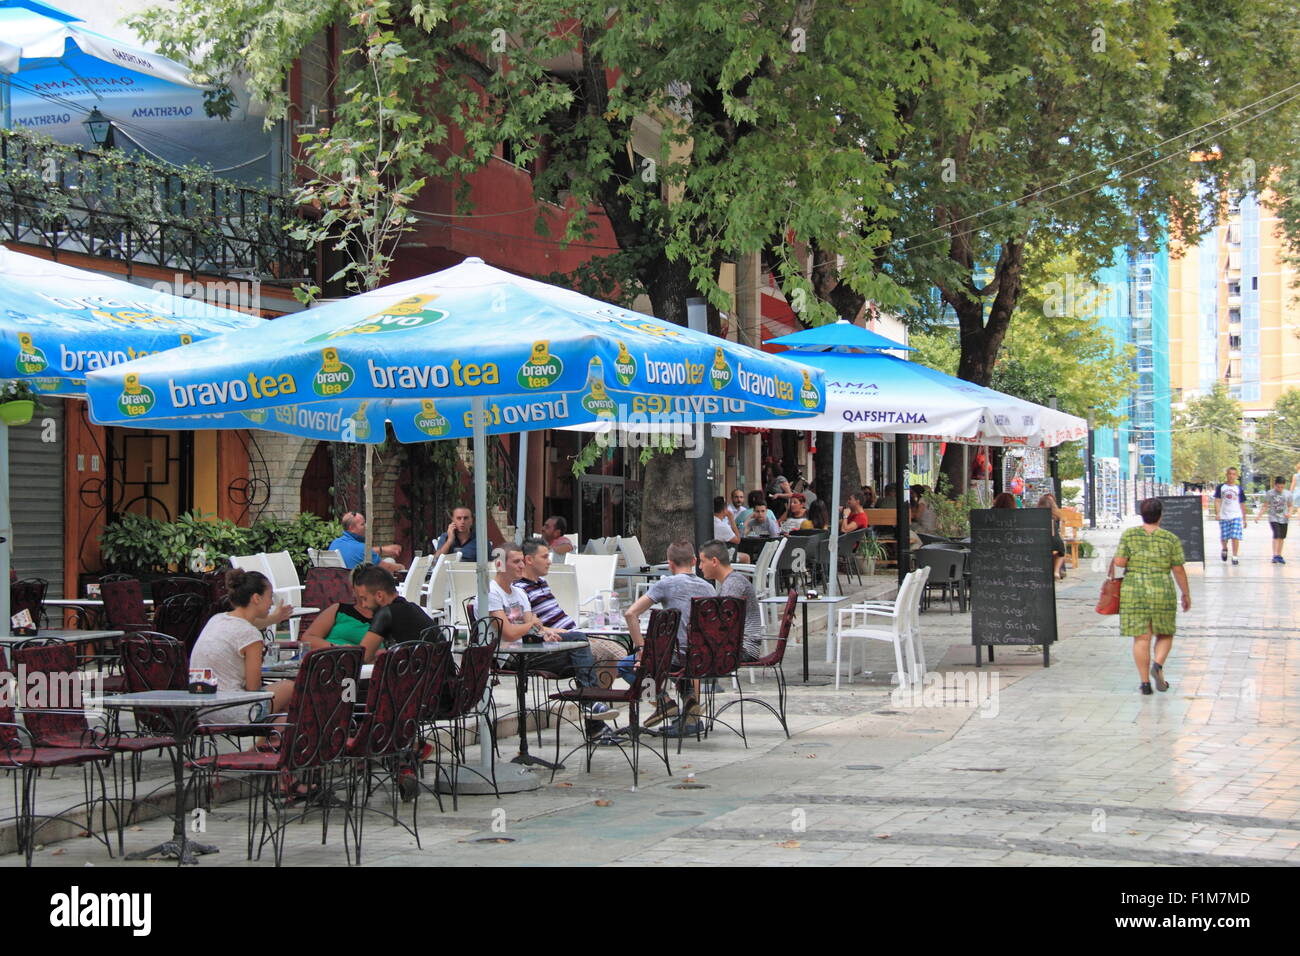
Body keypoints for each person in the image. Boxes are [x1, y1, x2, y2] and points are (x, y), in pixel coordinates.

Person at [488, 543, 613, 737]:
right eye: (516, 561)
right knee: (583, 655)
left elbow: (534, 627)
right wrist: (532, 626)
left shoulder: (519, 593)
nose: (521, 565)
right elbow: (510, 633)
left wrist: (544, 633)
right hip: (509, 655)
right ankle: (592, 712)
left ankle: (594, 720)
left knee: (582, 649)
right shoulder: (492, 593)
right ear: (499, 564)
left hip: (530, 649)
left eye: (522, 560)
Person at [622, 540, 715, 734]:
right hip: (701, 658)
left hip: (674, 657)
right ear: (694, 560)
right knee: (675, 665)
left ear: (669, 563)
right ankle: (689, 700)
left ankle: (662, 701)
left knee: (627, 666)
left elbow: (631, 614)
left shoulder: (666, 584)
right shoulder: (709, 588)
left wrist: (640, 649)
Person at [190, 569, 295, 725]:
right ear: (256, 598)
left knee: (281, 708)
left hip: (201, 709)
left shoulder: (217, 619)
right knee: (290, 687)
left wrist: (275, 618)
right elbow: (253, 689)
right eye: (270, 596)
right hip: (232, 712)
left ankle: (267, 745)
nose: (272, 603)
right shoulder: (251, 635)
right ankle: (272, 745)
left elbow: (248, 623)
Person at [518, 538, 624, 691]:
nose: (549, 561)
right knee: (610, 657)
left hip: (576, 633)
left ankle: (599, 699)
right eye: (544, 557)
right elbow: (531, 627)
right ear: (528, 559)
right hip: (563, 640)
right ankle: (593, 699)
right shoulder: (520, 590)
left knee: (623, 653)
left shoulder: (541, 582)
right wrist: (565, 632)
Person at [1111, 497, 1191, 696]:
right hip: (1161, 589)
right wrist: (1185, 593)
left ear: (1142, 515)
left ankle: (1145, 683)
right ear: (1160, 516)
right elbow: (1178, 568)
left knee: (1141, 638)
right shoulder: (1170, 538)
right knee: (1165, 633)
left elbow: (1120, 562)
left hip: (1134, 590)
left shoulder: (1129, 535)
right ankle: (1158, 664)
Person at [351, 564, 435, 663]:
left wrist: (350, 650)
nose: (364, 605)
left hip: (422, 675)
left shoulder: (386, 614)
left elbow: (363, 657)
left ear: (379, 596)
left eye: (364, 598)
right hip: (437, 673)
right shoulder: (412, 608)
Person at [698, 540, 763, 663]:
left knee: (683, 659)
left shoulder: (732, 584)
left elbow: (722, 624)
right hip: (737, 647)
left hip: (743, 649)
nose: (700, 566)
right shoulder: (731, 581)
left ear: (714, 561)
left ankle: (709, 682)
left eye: (702, 561)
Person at [328, 512, 404, 570]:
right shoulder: (361, 548)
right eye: (362, 524)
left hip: (341, 585)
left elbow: (357, 552)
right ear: (351, 528)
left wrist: (383, 550)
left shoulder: (335, 543)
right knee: (390, 561)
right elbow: (387, 567)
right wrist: (401, 567)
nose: (366, 527)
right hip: (361, 587)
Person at [1254, 475, 1292, 564]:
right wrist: (1259, 516)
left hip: (1284, 518)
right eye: (1278, 487)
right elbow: (1265, 505)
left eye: (1282, 487)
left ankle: (1279, 555)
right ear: (1275, 485)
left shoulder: (1288, 494)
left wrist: (1289, 513)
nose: (1280, 489)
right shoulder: (1270, 493)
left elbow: (1290, 506)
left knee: (1282, 537)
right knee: (1276, 534)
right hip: (1273, 517)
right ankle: (1275, 555)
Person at [1214, 466, 1245, 565]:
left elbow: (1242, 503)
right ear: (1226, 475)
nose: (1231, 476)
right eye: (1229, 474)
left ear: (1236, 476)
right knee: (1224, 536)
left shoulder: (1239, 488)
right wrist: (1218, 513)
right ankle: (1224, 548)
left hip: (1236, 515)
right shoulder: (1221, 487)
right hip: (1224, 515)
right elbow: (1217, 500)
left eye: (1233, 474)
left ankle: (1235, 556)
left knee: (1235, 536)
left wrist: (1244, 519)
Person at [1037, 493, 1067, 580]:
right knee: (1061, 552)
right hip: (1056, 542)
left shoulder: (1037, 516)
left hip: (1042, 542)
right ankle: (1056, 571)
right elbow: (1055, 533)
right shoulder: (1056, 516)